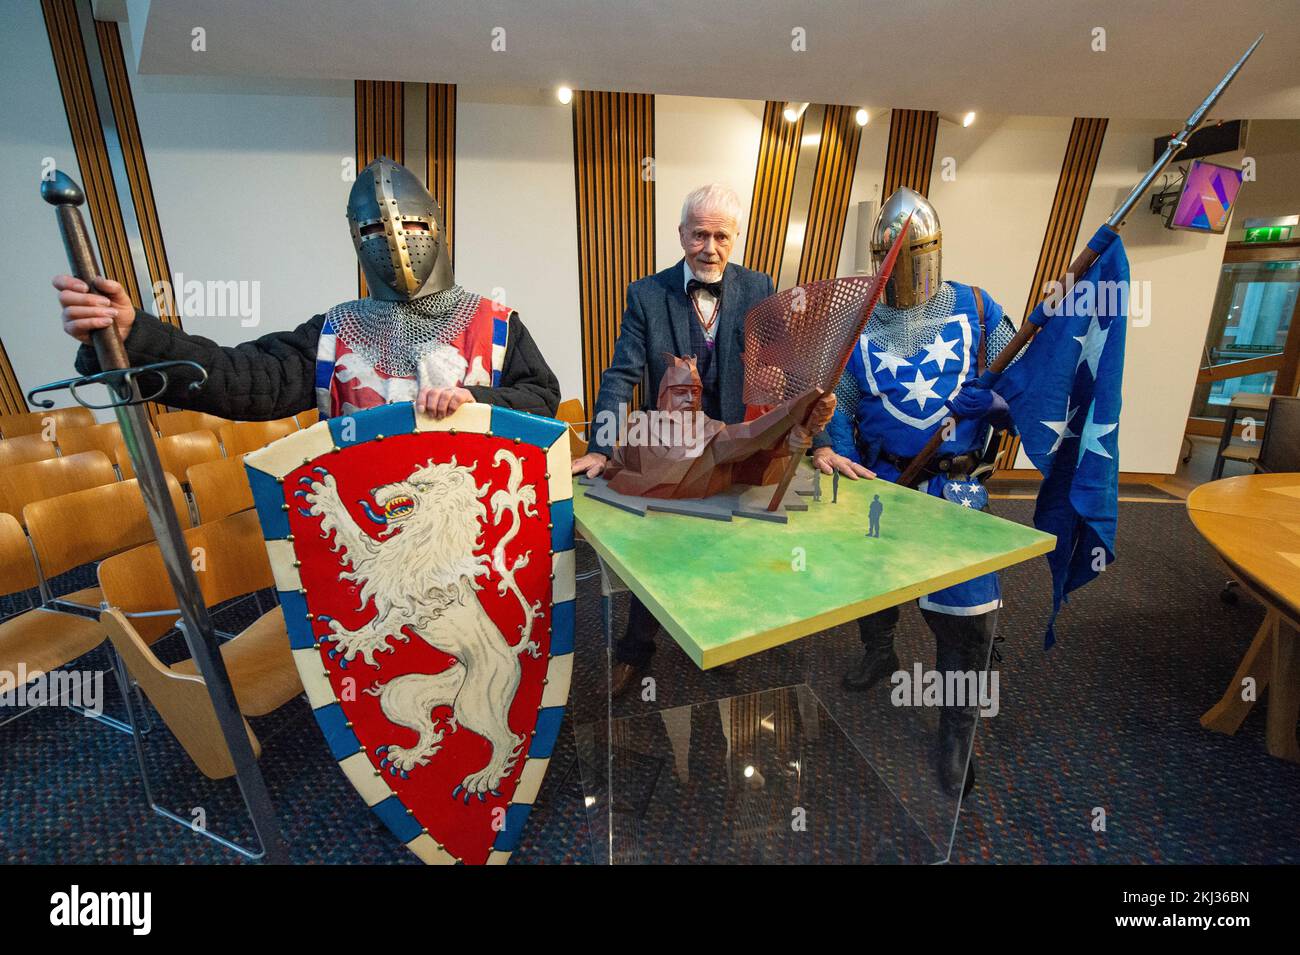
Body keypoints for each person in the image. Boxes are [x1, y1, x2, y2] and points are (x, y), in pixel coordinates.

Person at [53, 156, 559, 421]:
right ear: (357, 240)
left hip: (472, 520)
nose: (397, 242)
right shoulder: (335, 334)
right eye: (375, 231)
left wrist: (475, 400)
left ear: (436, 228)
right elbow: (243, 381)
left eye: (411, 226)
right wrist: (134, 334)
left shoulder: (496, 324)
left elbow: (541, 398)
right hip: (365, 525)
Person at [571, 183, 830, 697]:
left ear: (735, 237)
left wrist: (821, 442)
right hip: (674, 449)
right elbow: (621, 374)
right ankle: (636, 649)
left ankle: (716, 641)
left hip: (736, 444)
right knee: (656, 549)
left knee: (727, 545)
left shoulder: (759, 287)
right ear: (681, 234)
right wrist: (599, 446)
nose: (709, 248)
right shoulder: (647, 294)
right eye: (699, 235)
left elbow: (791, 368)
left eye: (721, 236)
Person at [820, 187, 1016, 797]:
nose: (901, 267)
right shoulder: (857, 325)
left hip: (957, 489)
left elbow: (1026, 395)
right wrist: (841, 460)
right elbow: (838, 407)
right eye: (890, 255)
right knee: (872, 584)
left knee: (968, 620)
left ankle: (957, 731)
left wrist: (997, 403)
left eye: (911, 253)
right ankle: (881, 650)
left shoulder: (979, 311)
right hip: (882, 482)